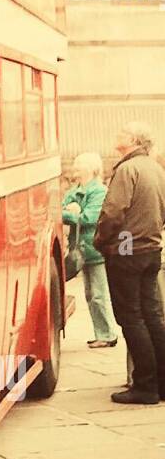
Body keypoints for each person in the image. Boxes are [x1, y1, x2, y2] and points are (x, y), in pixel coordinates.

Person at [93, 122, 165, 404]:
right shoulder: (156, 168)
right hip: (150, 248)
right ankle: (161, 382)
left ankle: (145, 386)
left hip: (126, 250)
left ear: (133, 140)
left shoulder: (127, 169)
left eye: (122, 132)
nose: (117, 135)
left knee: (131, 318)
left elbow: (113, 212)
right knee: (153, 316)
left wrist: (103, 241)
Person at [63, 153, 117, 349]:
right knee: (90, 294)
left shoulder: (100, 192)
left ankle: (108, 333)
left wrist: (71, 212)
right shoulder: (73, 192)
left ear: (91, 169)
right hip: (80, 250)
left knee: (99, 294)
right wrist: (71, 212)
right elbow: (59, 212)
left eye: (79, 165)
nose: (74, 168)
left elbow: (88, 218)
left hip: (96, 250)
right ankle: (101, 332)